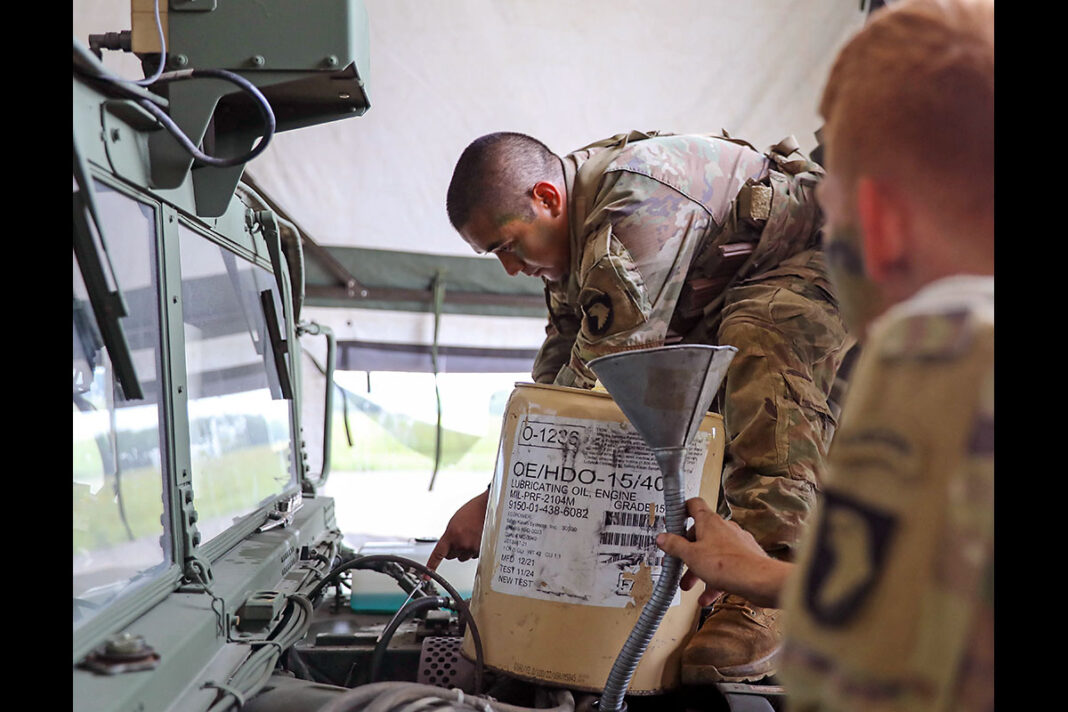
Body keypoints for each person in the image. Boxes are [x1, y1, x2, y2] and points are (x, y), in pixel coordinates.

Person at [655, 0, 994, 708]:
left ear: (877, 222)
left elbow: (875, 679)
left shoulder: (945, 349)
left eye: (829, 214)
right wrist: (769, 577)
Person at [428, 123, 856, 682]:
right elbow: (554, 386)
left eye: (508, 246)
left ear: (547, 198)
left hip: (824, 258)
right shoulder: (570, 239)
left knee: (760, 333)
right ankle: (720, 580)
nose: (510, 267)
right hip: (732, 283)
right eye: (494, 255)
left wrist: (498, 504)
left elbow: (598, 386)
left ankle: (770, 589)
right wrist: (506, 492)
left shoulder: (633, 209)